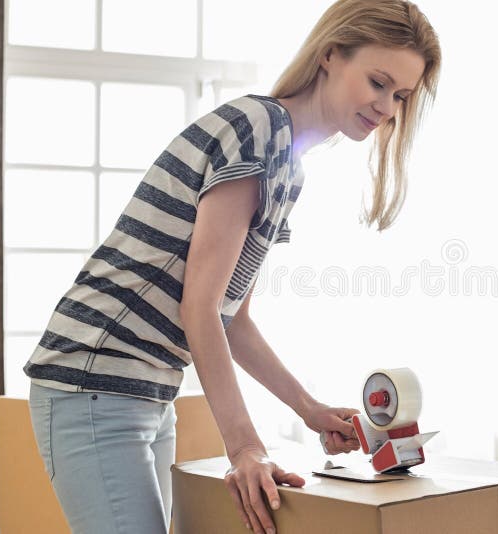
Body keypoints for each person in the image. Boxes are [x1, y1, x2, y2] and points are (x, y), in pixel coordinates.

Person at [22, 0, 441, 533]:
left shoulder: (288, 161)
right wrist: (244, 447)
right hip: (95, 379)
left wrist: (309, 409)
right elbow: (197, 305)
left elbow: (229, 314)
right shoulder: (257, 130)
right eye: (378, 82)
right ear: (332, 55)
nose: (386, 107)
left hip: (145, 390)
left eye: (400, 96)